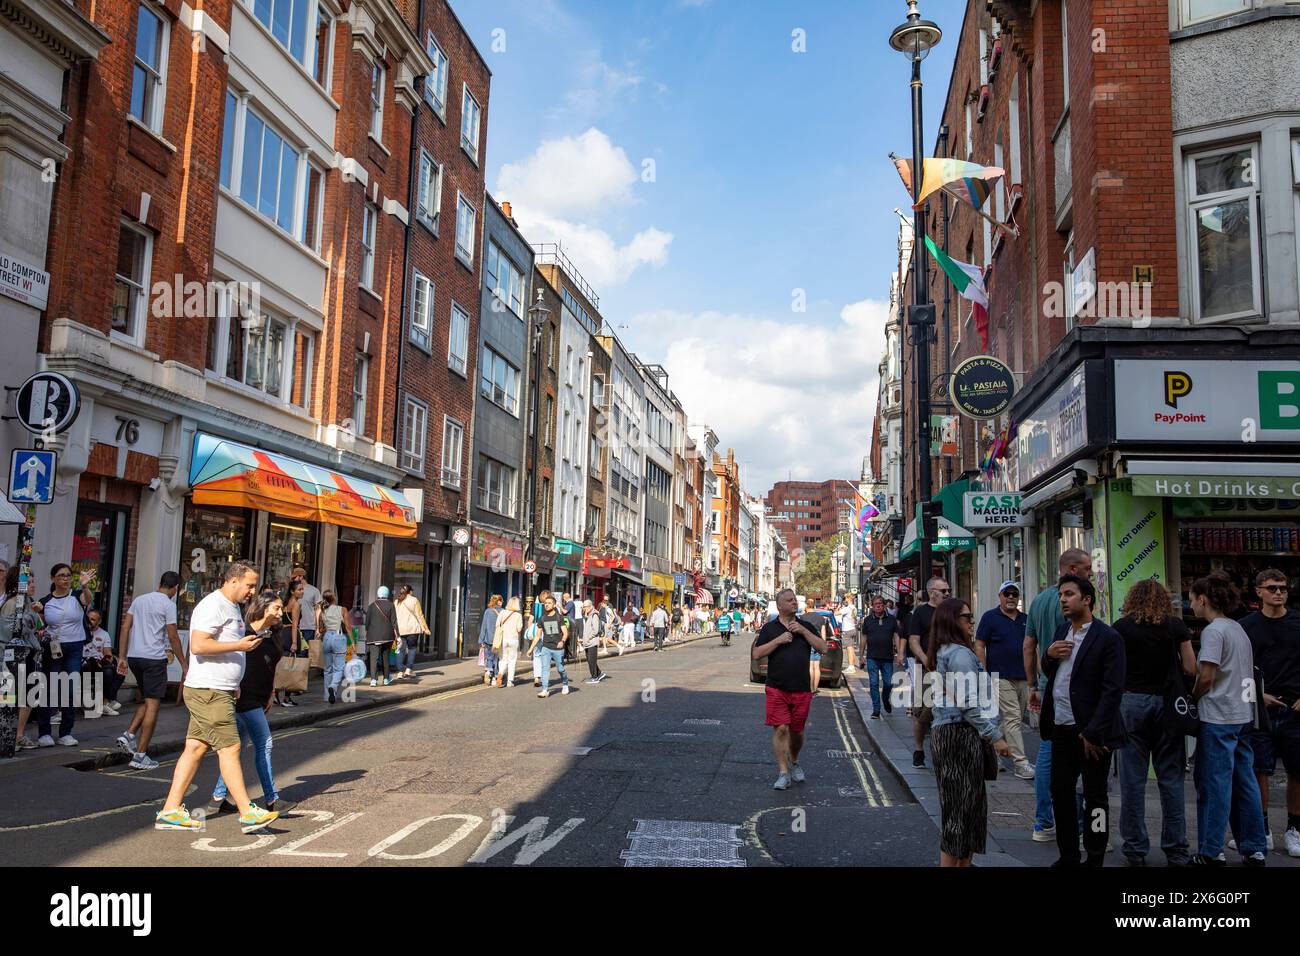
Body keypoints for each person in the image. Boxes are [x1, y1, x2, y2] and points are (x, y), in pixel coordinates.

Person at [154, 562, 278, 833]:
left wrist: (235, 681)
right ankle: (247, 812)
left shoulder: (233, 607)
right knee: (230, 748)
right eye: (249, 585)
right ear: (233, 581)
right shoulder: (213, 605)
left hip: (217, 688)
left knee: (195, 748)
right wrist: (239, 645)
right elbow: (198, 645)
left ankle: (171, 810)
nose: (252, 591)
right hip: (208, 691)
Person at [1040, 574, 1126, 867]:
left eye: (1069, 594)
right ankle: (1068, 856)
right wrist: (1048, 656)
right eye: (1061, 594)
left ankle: (1096, 855)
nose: (1063, 599)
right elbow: (1051, 671)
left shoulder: (1108, 637)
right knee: (1061, 795)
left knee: (1096, 799)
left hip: (1091, 733)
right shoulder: (1062, 630)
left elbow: (1112, 690)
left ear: (1087, 599)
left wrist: (1094, 732)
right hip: (1062, 729)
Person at [1113, 578, 1196, 867]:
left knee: (1132, 781)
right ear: (1164, 599)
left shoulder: (1121, 628)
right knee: (1171, 779)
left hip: (1131, 703)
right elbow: (1190, 666)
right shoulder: (1175, 627)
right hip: (1167, 704)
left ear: (1132, 599)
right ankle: (1176, 849)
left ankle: (1135, 848)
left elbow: (1114, 667)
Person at [1189, 571, 1268, 866]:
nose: (1193, 606)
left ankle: (1211, 850)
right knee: (1244, 780)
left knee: (1214, 783)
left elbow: (1207, 675)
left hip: (1218, 715)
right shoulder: (1238, 629)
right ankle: (1254, 846)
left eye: (1193, 600)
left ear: (1203, 599)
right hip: (1242, 713)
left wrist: (1194, 695)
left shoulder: (1213, 631)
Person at [929, 597, 1013, 866]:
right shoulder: (960, 654)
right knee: (962, 814)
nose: (972, 621)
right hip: (960, 736)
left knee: (965, 814)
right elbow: (968, 704)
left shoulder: (945, 651)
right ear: (953, 621)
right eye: (967, 617)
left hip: (951, 734)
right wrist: (995, 736)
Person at [1023, 547, 1093, 842]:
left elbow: (1028, 646)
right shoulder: (1080, 601)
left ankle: (1043, 822)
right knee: (1084, 758)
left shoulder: (1038, 600)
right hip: (1077, 689)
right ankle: (1083, 827)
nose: (1091, 574)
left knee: (1048, 755)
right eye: (1087, 569)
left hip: (1047, 685)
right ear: (1073, 570)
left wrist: (1032, 685)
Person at [208, 592, 289, 814]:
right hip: (243, 696)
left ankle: (218, 798)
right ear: (263, 608)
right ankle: (272, 799)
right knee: (265, 743)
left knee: (237, 747)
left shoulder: (272, 633)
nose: (281, 613)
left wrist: (272, 691)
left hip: (260, 696)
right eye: (276, 609)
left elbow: (271, 664)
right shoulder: (243, 631)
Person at [1239, 569, 1300, 858]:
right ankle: (1260, 829)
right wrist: (1256, 694)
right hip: (1258, 707)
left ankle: (1295, 829)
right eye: (1272, 587)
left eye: (1283, 588)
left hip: (1294, 707)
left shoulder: (1298, 622)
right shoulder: (1246, 626)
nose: (1279, 592)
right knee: (1258, 771)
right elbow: (1237, 667)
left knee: (1297, 771)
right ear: (1258, 591)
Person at [752, 589, 827, 790]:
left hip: (801, 689)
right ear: (780, 606)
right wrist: (778, 640)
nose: (794, 602)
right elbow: (757, 653)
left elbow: (823, 648)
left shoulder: (806, 626)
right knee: (781, 727)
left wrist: (803, 632)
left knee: (797, 732)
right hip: (776, 687)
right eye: (789, 600)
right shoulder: (769, 628)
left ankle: (794, 760)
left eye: (795, 599)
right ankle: (783, 772)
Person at [114, 572, 184, 769]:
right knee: (154, 705)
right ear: (176, 587)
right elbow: (173, 636)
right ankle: (140, 755)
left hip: (135, 657)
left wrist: (122, 656)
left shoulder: (139, 600)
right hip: (154, 659)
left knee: (148, 699)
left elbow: (125, 627)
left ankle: (129, 735)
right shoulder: (169, 605)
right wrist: (184, 664)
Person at [975, 581, 1034, 780]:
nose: (1010, 597)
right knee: (1013, 716)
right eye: (1006, 594)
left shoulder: (1026, 619)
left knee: (1011, 720)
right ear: (999, 596)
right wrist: (983, 672)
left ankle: (993, 750)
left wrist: (1037, 676)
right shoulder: (990, 617)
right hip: (999, 676)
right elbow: (980, 644)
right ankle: (1021, 763)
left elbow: (1033, 647)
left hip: (1024, 676)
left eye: (1014, 594)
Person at [35, 564, 96, 747]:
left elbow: (88, 600)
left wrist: (85, 585)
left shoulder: (77, 596)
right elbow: (41, 627)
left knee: (70, 688)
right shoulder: (46, 601)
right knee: (50, 689)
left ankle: (65, 732)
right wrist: (38, 613)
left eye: (68, 575)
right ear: (53, 578)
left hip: (74, 647)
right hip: (54, 648)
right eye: (61, 576)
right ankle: (44, 733)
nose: (66, 579)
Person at [906, 577, 949, 768]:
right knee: (923, 712)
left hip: (948, 667)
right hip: (925, 668)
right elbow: (913, 640)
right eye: (944, 591)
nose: (948, 594)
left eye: (948, 590)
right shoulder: (920, 613)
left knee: (944, 708)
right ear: (932, 592)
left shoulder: (952, 611)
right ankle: (918, 749)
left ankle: (941, 748)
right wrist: (925, 659)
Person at [1, 566, 44, 750]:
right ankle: (8, 735)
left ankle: (18, 735)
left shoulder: (29, 602)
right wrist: (33, 618)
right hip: (12, 656)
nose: (33, 585)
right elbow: (10, 631)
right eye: (29, 582)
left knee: (29, 694)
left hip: (28, 654)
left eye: (34, 581)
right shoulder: (12, 603)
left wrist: (36, 614)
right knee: (8, 696)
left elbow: (38, 626)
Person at [862, 594, 902, 718]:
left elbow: (896, 636)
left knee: (888, 683)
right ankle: (876, 710)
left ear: (884, 605)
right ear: (872, 606)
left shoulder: (891, 619)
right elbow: (864, 637)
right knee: (873, 683)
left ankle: (885, 699)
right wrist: (861, 655)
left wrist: (900, 653)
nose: (878, 606)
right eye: (875, 604)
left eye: (880, 604)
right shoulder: (867, 620)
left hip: (887, 657)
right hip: (872, 657)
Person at [80, 609, 124, 718]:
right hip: (83, 663)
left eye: (93, 619)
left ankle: (106, 701)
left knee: (120, 671)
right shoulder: (79, 631)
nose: (90, 622)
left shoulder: (104, 634)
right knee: (108, 673)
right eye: (88, 619)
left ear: (99, 622)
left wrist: (104, 661)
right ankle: (106, 702)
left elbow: (108, 654)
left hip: (99, 663)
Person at [274, 577, 306, 706]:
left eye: (302, 589)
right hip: (291, 635)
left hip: (282, 634)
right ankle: (287, 699)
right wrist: (294, 642)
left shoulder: (285, 602)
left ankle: (275, 695)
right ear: (293, 591)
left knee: (281, 665)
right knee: (290, 667)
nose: (302, 591)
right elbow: (294, 625)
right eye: (299, 589)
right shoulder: (296, 604)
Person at [533, 593, 570, 697]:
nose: (547, 605)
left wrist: (562, 641)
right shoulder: (542, 618)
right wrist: (531, 648)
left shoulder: (559, 617)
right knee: (545, 668)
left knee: (560, 669)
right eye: (545, 603)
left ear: (554, 605)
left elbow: (565, 633)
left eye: (549, 603)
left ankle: (565, 683)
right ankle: (545, 690)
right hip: (546, 647)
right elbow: (537, 635)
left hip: (558, 648)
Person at [394, 584, 431, 680]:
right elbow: (420, 615)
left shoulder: (396, 601)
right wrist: (425, 628)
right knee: (412, 649)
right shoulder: (414, 600)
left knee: (400, 650)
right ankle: (408, 670)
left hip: (400, 630)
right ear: (410, 592)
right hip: (412, 630)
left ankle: (399, 671)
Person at [364, 586, 398, 687]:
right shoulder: (391, 606)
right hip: (387, 636)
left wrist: (368, 632)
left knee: (373, 658)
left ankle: (373, 680)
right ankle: (386, 679)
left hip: (373, 636)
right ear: (387, 594)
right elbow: (394, 622)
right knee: (385, 658)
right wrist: (398, 636)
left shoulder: (371, 606)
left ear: (378, 594)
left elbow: (367, 623)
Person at [319, 590, 348, 703]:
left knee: (327, 669)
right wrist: (353, 644)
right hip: (338, 637)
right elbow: (348, 626)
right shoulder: (342, 609)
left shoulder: (322, 610)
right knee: (339, 668)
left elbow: (321, 629)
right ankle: (333, 686)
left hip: (326, 638)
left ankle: (327, 696)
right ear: (334, 598)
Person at [292, 563, 322, 672]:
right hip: (294, 627)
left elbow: (318, 609)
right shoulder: (293, 590)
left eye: (295, 577)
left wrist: (318, 627)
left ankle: (301, 681)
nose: (293, 579)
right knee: (296, 654)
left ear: (301, 577)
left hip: (309, 626)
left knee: (304, 655)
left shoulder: (314, 591)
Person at [494, 596, 523, 687]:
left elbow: (497, 625)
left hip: (503, 639)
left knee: (503, 659)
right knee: (512, 660)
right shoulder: (518, 615)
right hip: (513, 639)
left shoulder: (502, 612)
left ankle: (500, 674)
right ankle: (510, 681)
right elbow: (519, 629)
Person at [580, 600, 607, 684]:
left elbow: (595, 630)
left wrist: (588, 637)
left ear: (590, 606)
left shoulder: (594, 615)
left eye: (585, 606)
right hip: (588, 642)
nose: (584, 608)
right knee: (590, 660)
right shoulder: (588, 615)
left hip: (592, 641)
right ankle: (599, 673)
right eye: (583, 607)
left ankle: (594, 677)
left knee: (591, 660)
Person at [478, 595, 502, 687]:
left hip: (489, 639)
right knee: (497, 658)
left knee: (489, 657)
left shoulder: (488, 612)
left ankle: (489, 673)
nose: (501, 602)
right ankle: (495, 678)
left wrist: (481, 640)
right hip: (499, 639)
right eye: (500, 600)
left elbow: (484, 626)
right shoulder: (504, 612)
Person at [838, 596, 859, 675]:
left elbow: (836, 613)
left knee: (849, 648)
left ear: (848, 599)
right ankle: (852, 665)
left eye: (845, 599)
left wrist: (838, 607)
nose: (844, 600)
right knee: (852, 648)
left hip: (847, 630)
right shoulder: (854, 608)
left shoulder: (847, 608)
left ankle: (851, 667)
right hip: (853, 628)